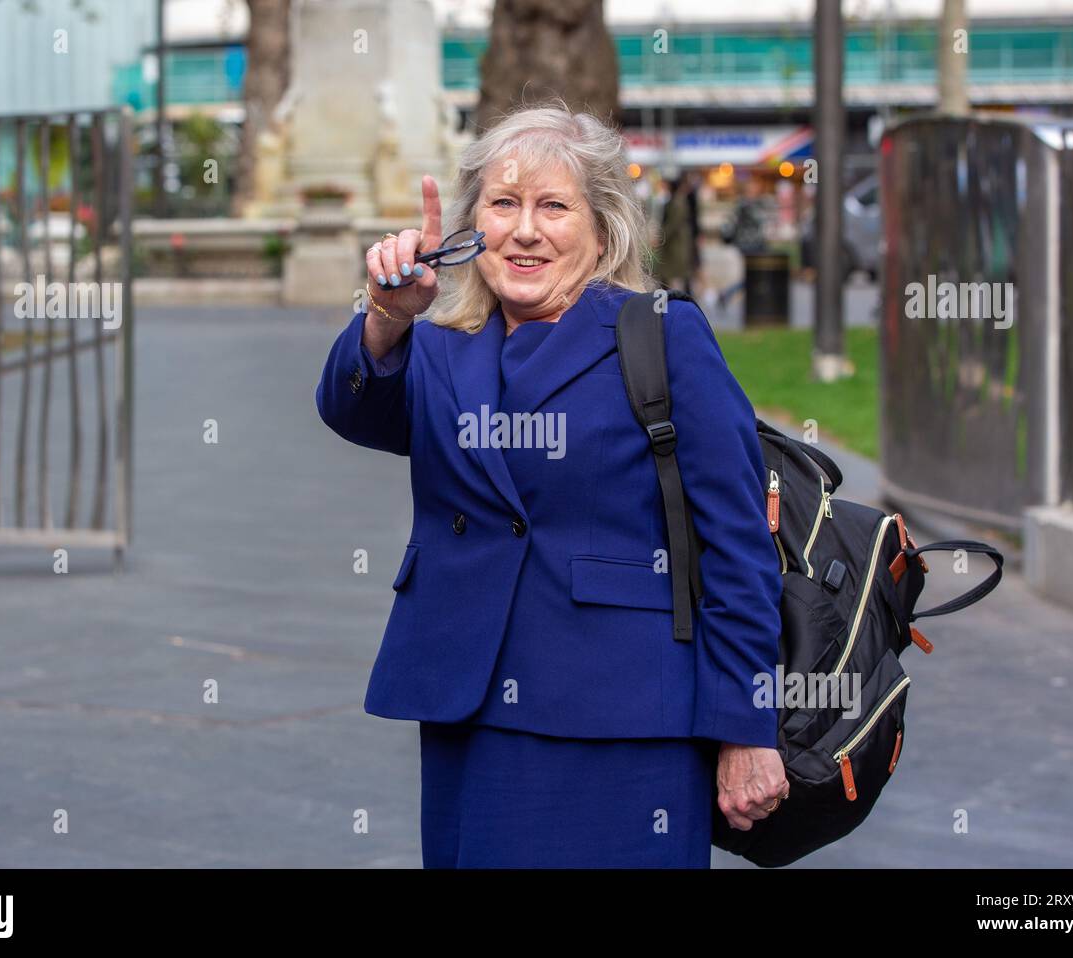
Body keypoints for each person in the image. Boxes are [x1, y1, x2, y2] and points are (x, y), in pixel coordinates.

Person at [315, 101, 788, 868]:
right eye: (503, 204)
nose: (524, 230)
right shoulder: (440, 349)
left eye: (553, 207)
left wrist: (745, 728)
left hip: (626, 721)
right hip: (474, 712)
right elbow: (349, 408)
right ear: (471, 227)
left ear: (603, 230)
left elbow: (738, 550)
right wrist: (385, 317)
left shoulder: (661, 336)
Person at [653, 169, 697, 293]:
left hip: (676, 243)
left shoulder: (677, 202)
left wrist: (662, 237)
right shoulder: (676, 200)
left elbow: (673, 223)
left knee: (672, 271)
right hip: (675, 242)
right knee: (674, 272)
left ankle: (663, 300)